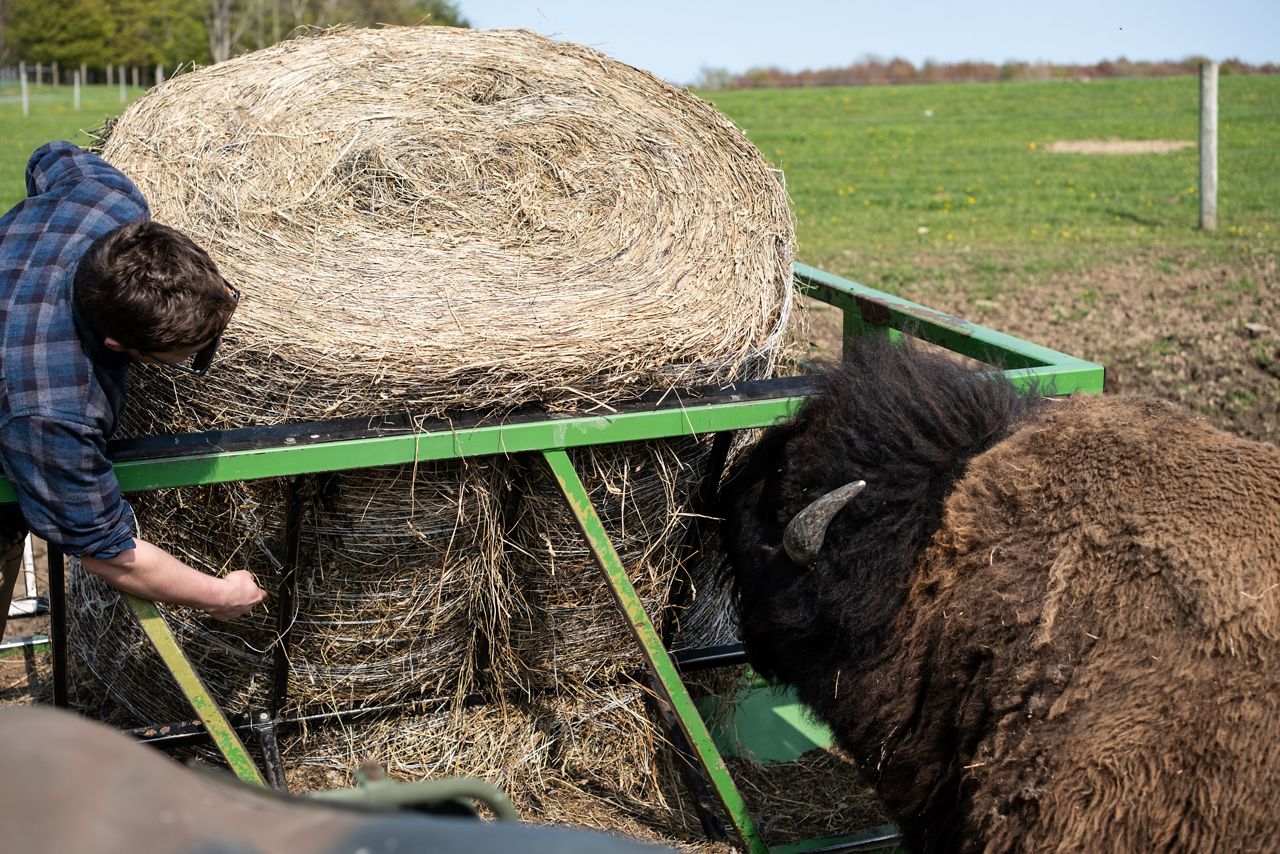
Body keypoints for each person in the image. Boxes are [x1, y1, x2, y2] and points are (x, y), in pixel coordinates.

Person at [0, 140, 267, 639]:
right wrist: (221, 595)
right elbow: (109, 552)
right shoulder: (52, 406)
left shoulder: (107, 200)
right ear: (117, 343)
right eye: (189, 356)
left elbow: (49, 155)